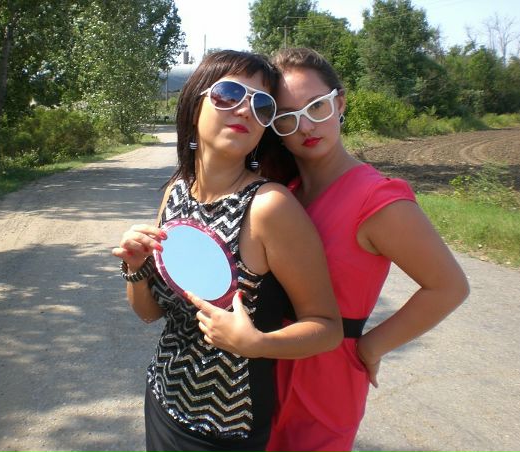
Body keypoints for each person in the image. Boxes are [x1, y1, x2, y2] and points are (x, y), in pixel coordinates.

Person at [111, 50, 343, 452]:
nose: (245, 109)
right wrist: (136, 268)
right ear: (194, 104)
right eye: (229, 94)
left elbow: (328, 328)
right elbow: (150, 313)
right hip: (162, 399)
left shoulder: (269, 208)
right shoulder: (176, 193)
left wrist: (257, 344)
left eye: (262, 104)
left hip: (226, 429)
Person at [254, 48, 469, 452]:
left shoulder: (378, 199)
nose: (305, 125)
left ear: (339, 103)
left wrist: (371, 346)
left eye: (316, 106)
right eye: (287, 117)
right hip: (266, 367)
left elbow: (448, 287)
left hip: (327, 380)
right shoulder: (284, 194)